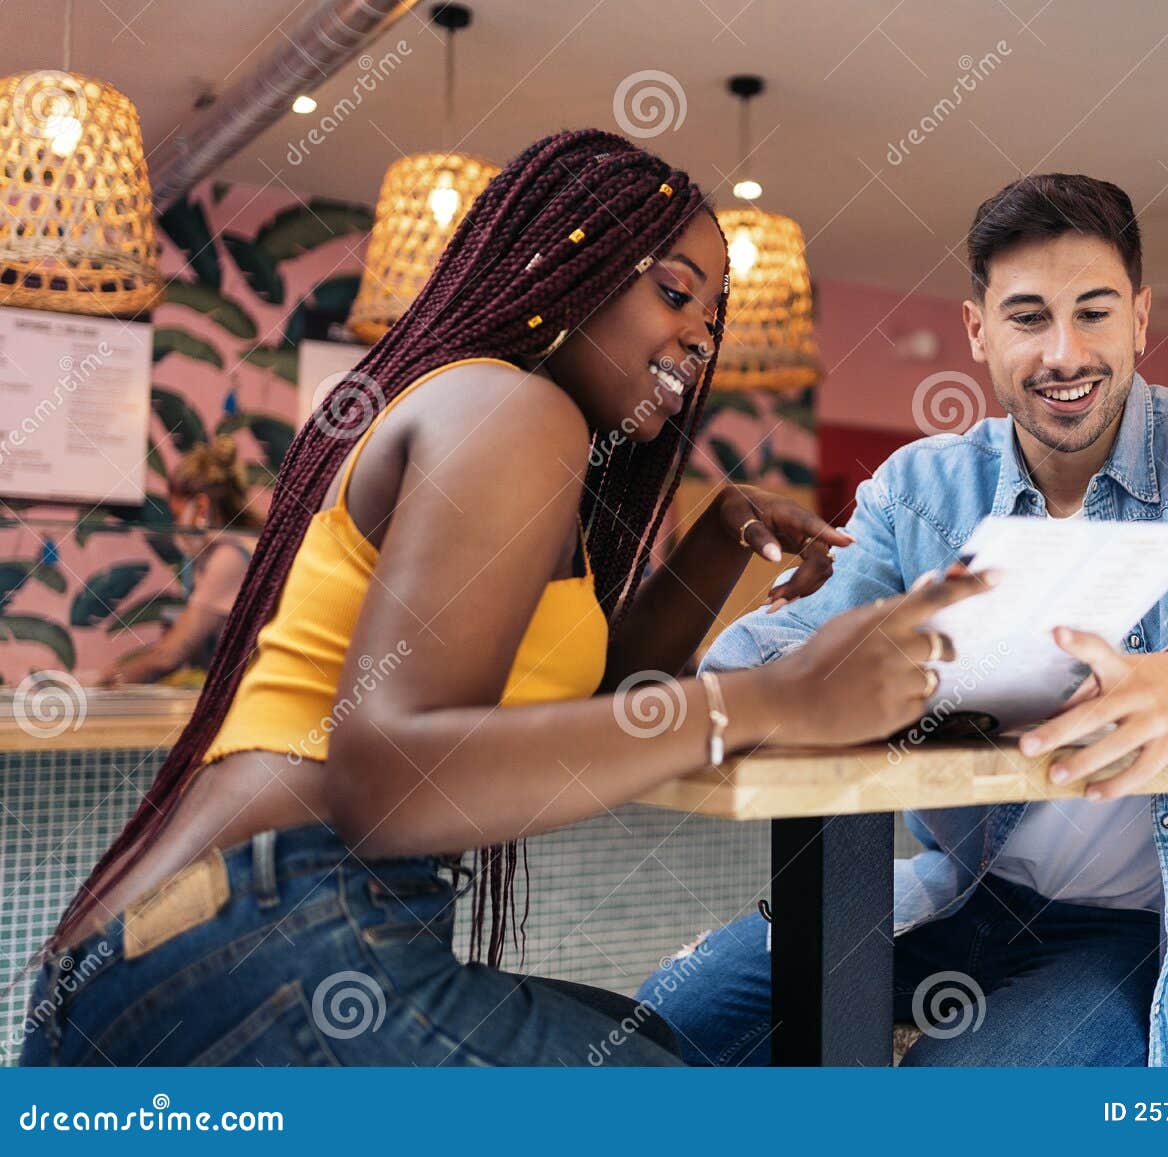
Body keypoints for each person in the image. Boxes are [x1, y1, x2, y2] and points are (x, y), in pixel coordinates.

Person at [19, 130, 990, 1067]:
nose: (700, 334)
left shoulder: (502, 417)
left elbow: (593, 706)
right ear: (566, 271)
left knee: (663, 1046)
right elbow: (388, 781)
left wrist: (710, 540)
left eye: (713, 312)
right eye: (674, 291)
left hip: (200, 952)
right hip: (257, 936)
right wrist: (780, 699)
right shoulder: (510, 409)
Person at [641, 172, 1168, 1067]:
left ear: (1139, 318)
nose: (1063, 353)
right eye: (1027, 318)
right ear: (978, 331)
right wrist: (831, 662)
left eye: (1093, 313)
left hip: (1143, 935)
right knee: (669, 1022)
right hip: (961, 893)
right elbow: (762, 661)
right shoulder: (921, 488)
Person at [98, 437, 258, 687]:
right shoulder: (236, 549)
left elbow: (168, 657)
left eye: (176, 514)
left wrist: (108, 682)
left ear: (201, 507)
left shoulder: (232, 557)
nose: (176, 526)